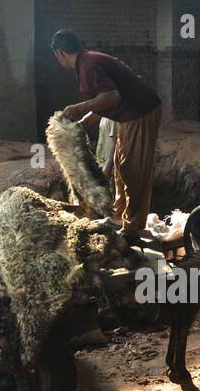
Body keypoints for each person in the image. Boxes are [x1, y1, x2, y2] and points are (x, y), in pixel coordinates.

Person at [51, 29, 162, 237]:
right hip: (129, 115)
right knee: (122, 167)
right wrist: (83, 123)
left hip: (140, 111)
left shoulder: (88, 65)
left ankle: (134, 226)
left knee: (134, 169)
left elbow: (112, 97)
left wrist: (79, 108)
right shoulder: (86, 62)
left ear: (60, 53)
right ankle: (118, 216)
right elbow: (103, 101)